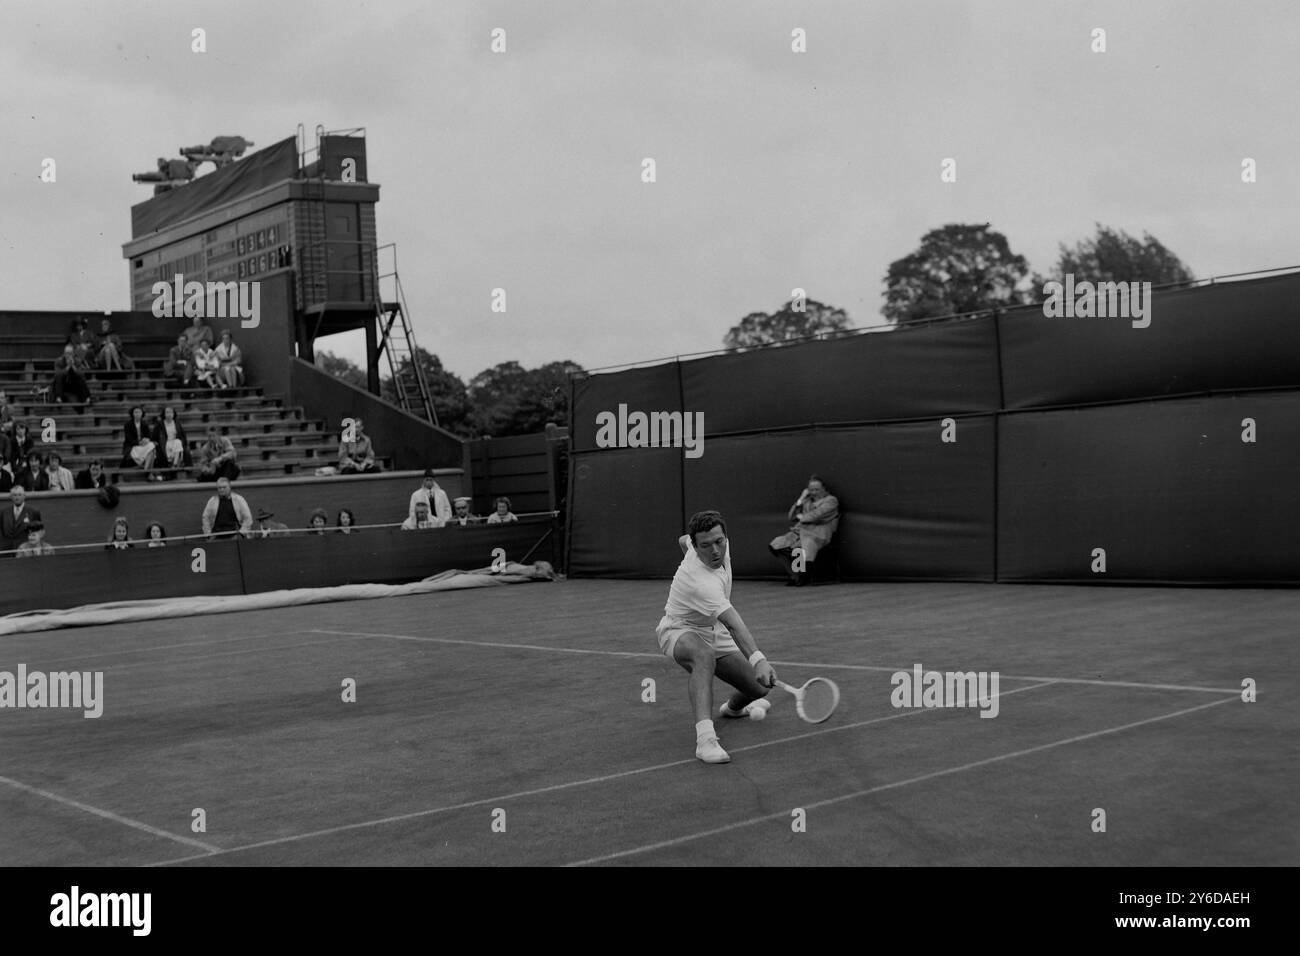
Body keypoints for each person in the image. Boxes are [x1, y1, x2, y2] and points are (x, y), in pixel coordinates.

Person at [656, 510, 777, 764]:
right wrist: (759, 660)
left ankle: (733, 709)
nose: (714, 551)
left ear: (725, 536)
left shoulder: (705, 542)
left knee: (758, 688)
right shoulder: (701, 583)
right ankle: (705, 741)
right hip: (678, 629)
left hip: (711, 628)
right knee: (703, 656)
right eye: (705, 546)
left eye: (719, 542)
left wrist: (691, 550)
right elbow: (734, 624)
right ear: (697, 545)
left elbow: (682, 541)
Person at [768, 475, 840, 587]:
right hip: (799, 531)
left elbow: (815, 516)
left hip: (818, 533)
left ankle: (802, 577)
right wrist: (800, 499)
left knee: (801, 547)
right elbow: (791, 516)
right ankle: (796, 575)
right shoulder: (806, 501)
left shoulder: (831, 501)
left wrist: (802, 517)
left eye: (817, 489)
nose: (814, 492)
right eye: (811, 490)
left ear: (824, 489)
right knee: (777, 545)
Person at [2, 486, 43, 554]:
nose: (17, 497)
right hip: (6, 550)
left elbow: (38, 533)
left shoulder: (33, 512)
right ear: (11, 497)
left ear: (24, 496)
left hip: (26, 551)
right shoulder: (3, 512)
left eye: (19, 495)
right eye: (14, 495)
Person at [151, 405, 191, 474]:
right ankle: (174, 464)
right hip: (165, 444)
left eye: (171, 412)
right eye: (167, 412)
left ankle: (175, 464)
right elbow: (154, 436)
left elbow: (183, 436)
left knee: (178, 442)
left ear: (173, 414)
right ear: (164, 414)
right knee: (177, 444)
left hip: (175, 444)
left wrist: (185, 444)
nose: (169, 414)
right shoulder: (160, 424)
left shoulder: (177, 423)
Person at [120, 406, 157, 476]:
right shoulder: (128, 424)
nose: (137, 414)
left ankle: (147, 470)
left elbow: (149, 436)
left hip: (143, 445)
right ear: (132, 414)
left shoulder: (144, 424)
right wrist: (139, 443)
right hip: (133, 446)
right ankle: (149, 473)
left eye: (139, 412)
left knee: (152, 446)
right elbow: (128, 438)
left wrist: (146, 440)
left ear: (142, 414)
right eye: (135, 412)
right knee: (152, 450)